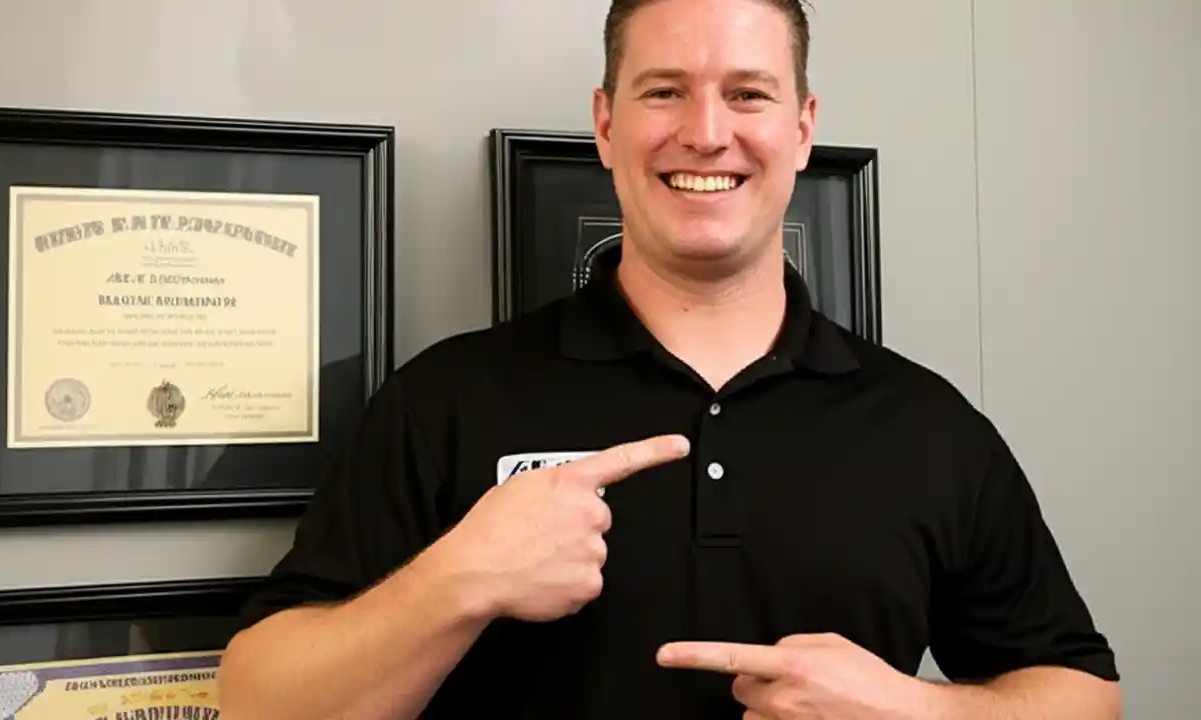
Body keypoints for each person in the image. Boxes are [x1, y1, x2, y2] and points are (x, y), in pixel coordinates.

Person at [217, 0, 1122, 717]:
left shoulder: (930, 428)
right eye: (664, 91)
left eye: (748, 93)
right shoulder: (447, 398)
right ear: (606, 124)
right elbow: (260, 704)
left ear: (803, 128)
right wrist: (462, 580)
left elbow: (1087, 697)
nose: (705, 131)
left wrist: (917, 714)